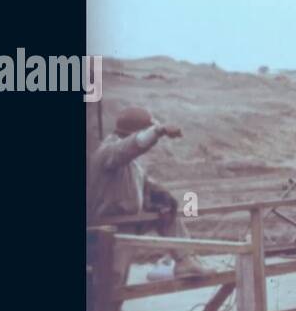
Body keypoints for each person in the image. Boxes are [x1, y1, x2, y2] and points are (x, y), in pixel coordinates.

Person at [87, 106, 210, 278]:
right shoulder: (109, 153)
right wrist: (158, 131)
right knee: (112, 283)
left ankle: (185, 261)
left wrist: (161, 198)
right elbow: (132, 146)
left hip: (128, 222)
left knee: (170, 214)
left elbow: (143, 186)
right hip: (109, 229)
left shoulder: (130, 163)